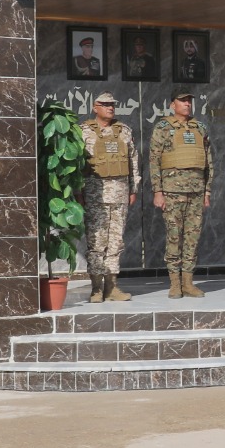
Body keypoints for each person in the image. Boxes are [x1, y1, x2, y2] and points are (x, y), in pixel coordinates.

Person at [149, 91, 213, 298]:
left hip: (196, 191)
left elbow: (208, 161)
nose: (187, 104)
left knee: (192, 238)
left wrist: (207, 190)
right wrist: (158, 191)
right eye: (182, 101)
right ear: (172, 105)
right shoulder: (163, 128)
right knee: (174, 236)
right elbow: (154, 160)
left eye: (189, 101)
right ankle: (175, 283)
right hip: (172, 191)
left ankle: (188, 282)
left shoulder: (200, 128)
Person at [81, 93, 138, 304]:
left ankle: (112, 287)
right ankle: (96, 288)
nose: (110, 108)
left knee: (116, 242)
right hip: (95, 195)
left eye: (112, 104)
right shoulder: (84, 131)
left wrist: (133, 189)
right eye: (104, 104)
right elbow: (77, 164)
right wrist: (78, 192)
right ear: (95, 108)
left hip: (120, 194)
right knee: (96, 242)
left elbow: (133, 161)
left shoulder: (124, 131)